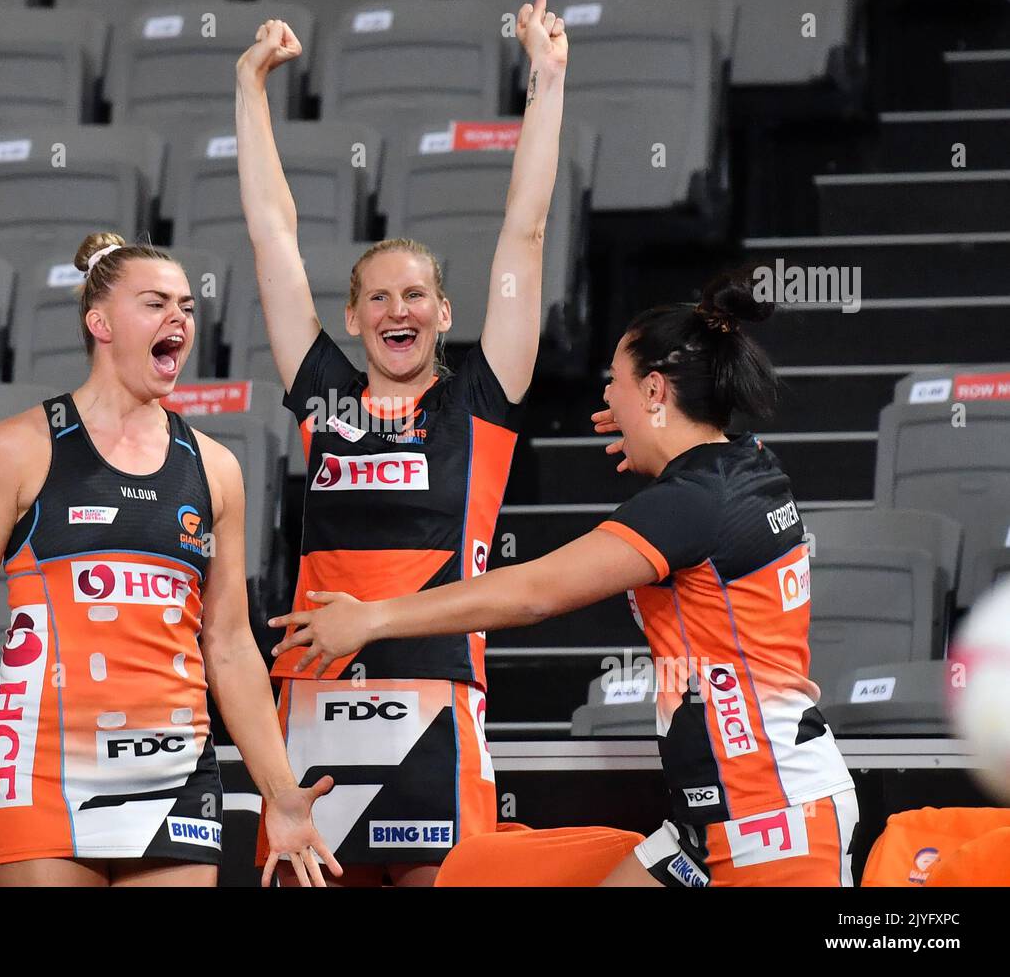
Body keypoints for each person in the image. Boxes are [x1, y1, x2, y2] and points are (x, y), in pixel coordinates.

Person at [269, 272, 861, 888]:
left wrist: (373, 617)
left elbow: (533, 594)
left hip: (771, 818)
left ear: (656, 388)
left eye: (618, 382)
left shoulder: (694, 503)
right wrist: (658, 440)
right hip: (702, 824)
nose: (606, 398)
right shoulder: (745, 466)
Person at [0, 233, 341, 888]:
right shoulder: (18, 448)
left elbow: (228, 644)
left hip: (175, 771)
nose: (179, 319)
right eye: (155, 304)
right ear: (100, 322)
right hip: (42, 765)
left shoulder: (216, 468)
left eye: (187, 307)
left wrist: (280, 789)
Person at [234, 0, 568, 886]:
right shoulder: (326, 404)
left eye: (415, 294)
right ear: (352, 316)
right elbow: (272, 238)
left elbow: (524, 234)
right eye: (377, 297)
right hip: (311, 704)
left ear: (444, 314)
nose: (397, 310)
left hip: (435, 700)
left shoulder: (479, 405)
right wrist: (249, 89)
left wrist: (549, 76)